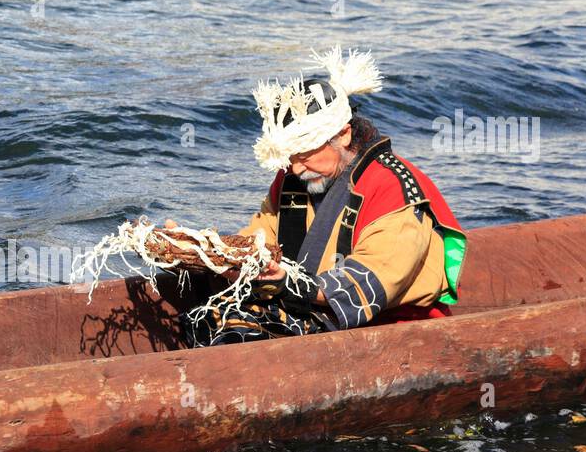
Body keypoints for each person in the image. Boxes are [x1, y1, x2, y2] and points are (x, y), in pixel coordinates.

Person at [185, 46, 466, 344]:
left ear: (343, 135)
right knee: (208, 319)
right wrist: (207, 251)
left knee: (239, 334)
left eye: (304, 153)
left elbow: (372, 281)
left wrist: (288, 284)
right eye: (289, 156)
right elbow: (259, 238)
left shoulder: (392, 187)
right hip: (313, 313)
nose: (294, 167)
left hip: (396, 330)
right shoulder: (293, 176)